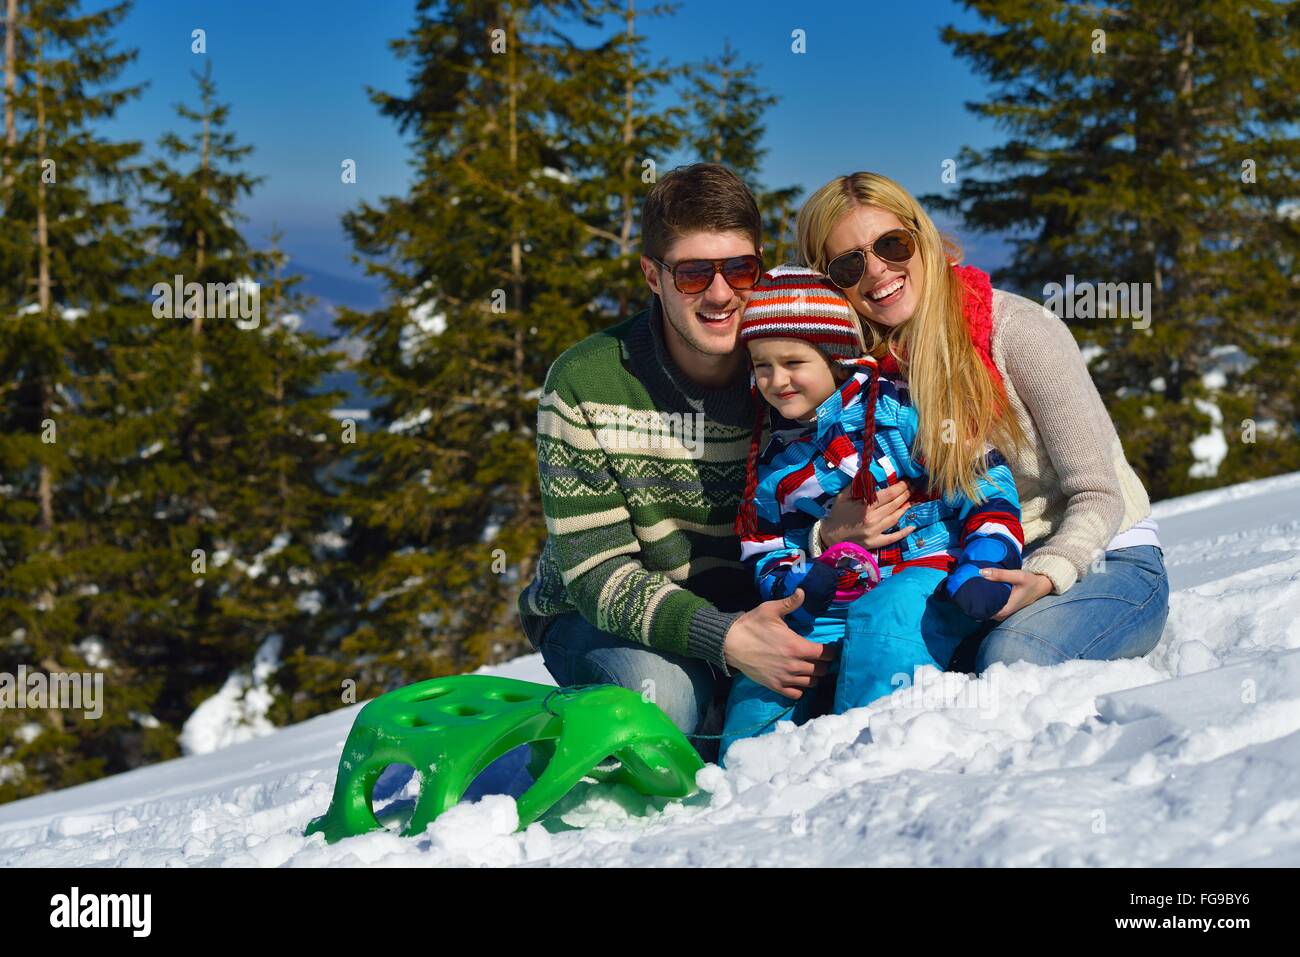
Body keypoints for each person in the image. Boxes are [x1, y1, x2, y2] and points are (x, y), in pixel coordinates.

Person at [516, 164, 835, 760]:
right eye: (693, 274)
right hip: (603, 613)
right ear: (652, 275)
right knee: (663, 702)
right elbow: (595, 574)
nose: (720, 294)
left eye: (740, 269)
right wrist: (728, 639)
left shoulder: (789, 370)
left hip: (760, 601)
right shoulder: (586, 381)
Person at [796, 172, 1170, 672]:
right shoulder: (857, 374)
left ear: (921, 237)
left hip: (1099, 558)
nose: (878, 271)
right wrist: (832, 534)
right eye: (849, 263)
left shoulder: (1018, 333)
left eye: (892, 244)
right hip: (968, 566)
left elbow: (1099, 495)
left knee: (1010, 660)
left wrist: (1044, 574)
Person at [720, 265, 1024, 762]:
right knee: (772, 664)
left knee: (886, 619)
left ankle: (867, 754)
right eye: (761, 366)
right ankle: (741, 770)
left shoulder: (902, 412)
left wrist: (983, 561)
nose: (777, 380)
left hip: (927, 569)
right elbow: (764, 546)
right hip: (831, 592)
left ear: (837, 358)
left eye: (793, 361)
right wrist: (797, 583)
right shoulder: (776, 461)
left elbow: (984, 484)